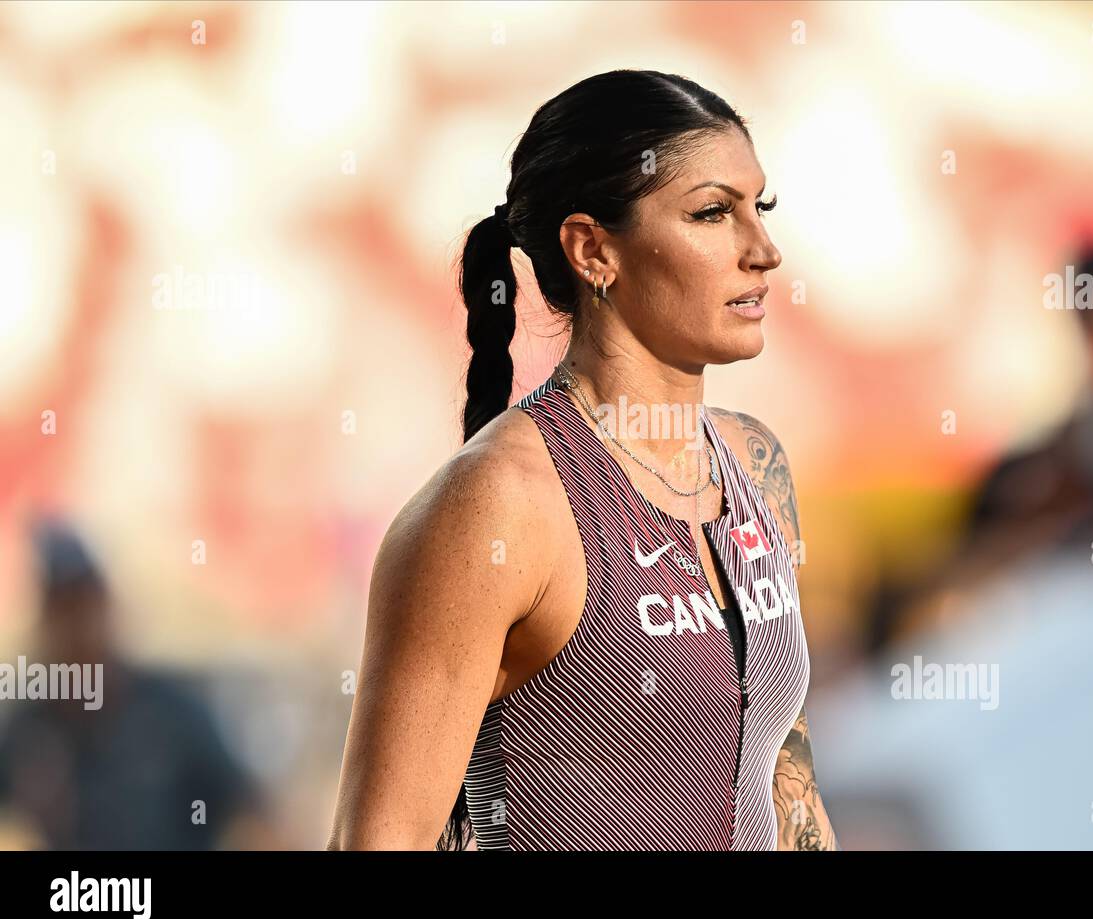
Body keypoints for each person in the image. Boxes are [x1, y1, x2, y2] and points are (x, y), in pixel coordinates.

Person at [329, 69, 837, 850]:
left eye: (758, 208)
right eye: (712, 213)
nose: (763, 251)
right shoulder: (499, 503)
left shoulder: (753, 460)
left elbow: (788, 784)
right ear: (593, 248)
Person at [0, 518, 264, 849]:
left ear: (106, 607)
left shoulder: (172, 713)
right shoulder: (29, 726)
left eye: (84, 607)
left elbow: (251, 815)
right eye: (61, 611)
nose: (75, 630)